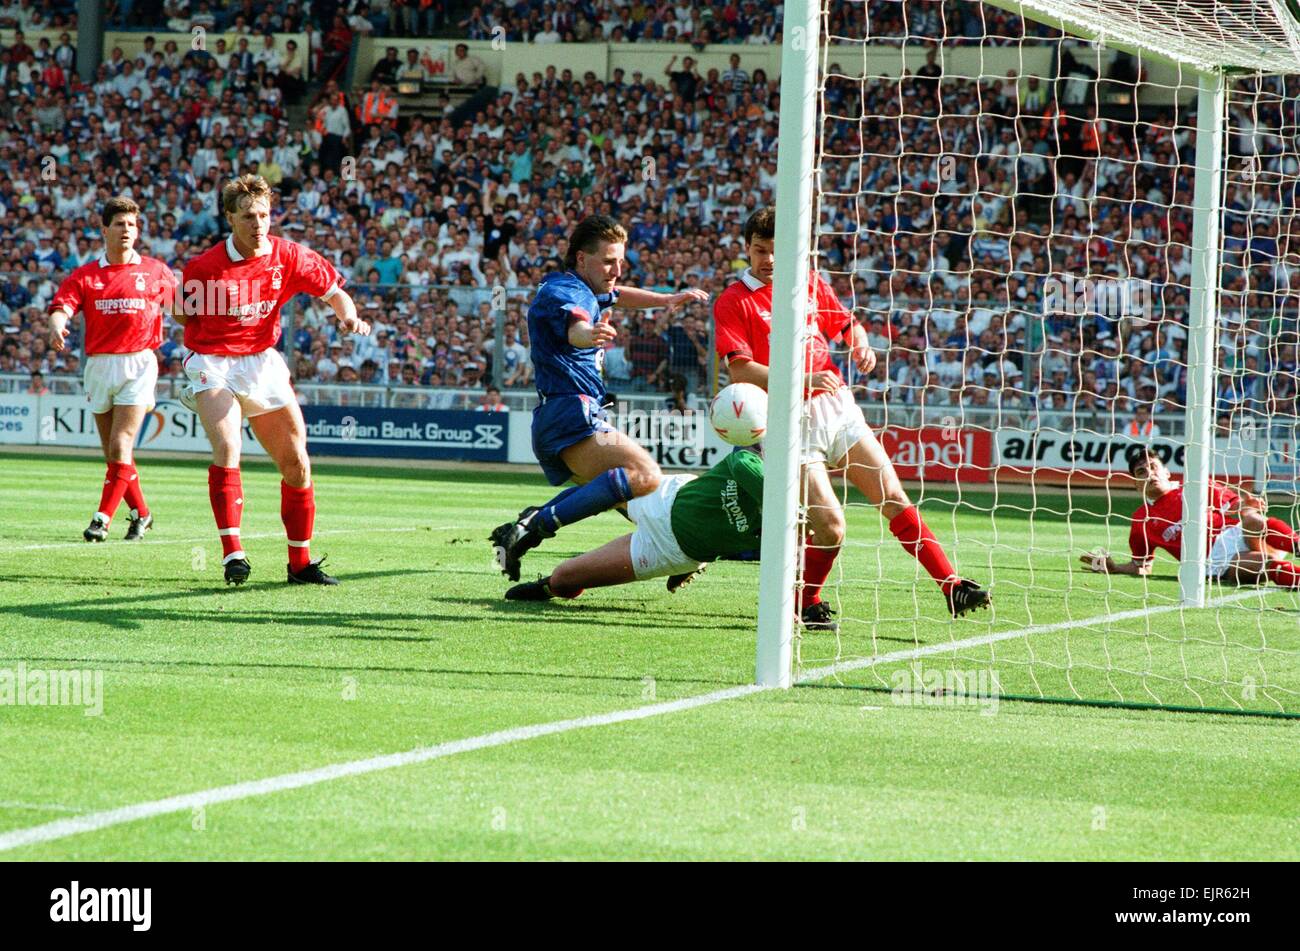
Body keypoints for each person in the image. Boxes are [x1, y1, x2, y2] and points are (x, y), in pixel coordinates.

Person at [713, 207, 989, 629]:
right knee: (831, 527)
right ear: (746, 250)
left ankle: (950, 583)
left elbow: (848, 326)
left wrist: (861, 345)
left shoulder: (809, 284)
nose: (768, 259)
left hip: (838, 406)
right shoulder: (735, 300)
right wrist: (803, 378)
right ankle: (806, 600)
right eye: (759, 250)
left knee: (893, 497)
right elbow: (740, 370)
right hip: (787, 420)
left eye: (775, 250)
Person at [489, 214, 708, 583]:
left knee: (643, 506)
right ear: (580, 259)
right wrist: (589, 334)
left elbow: (619, 297)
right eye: (609, 261)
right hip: (571, 414)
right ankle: (531, 526)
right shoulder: (567, 292)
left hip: (566, 414)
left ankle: (675, 558)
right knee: (645, 475)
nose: (617, 269)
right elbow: (575, 325)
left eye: (621, 261)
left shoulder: (584, 288)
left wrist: (666, 299)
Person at [176, 174, 371, 586]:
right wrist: (184, 304)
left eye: (264, 214)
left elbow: (334, 291)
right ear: (230, 217)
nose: (258, 223)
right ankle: (234, 553)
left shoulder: (288, 256)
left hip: (262, 361)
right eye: (248, 216)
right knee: (229, 445)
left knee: (297, 464)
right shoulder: (205, 266)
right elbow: (180, 312)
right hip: (212, 361)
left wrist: (348, 315)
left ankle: (299, 564)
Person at [48, 196, 177, 543]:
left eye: (132, 225)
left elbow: (184, 310)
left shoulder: (155, 271)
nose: (126, 230)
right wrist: (57, 325)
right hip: (99, 366)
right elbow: (62, 306)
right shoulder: (86, 275)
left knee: (121, 445)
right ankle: (143, 515)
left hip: (139, 363)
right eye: (119, 224)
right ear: (104, 229)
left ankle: (101, 519)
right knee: (114, 456)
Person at [506, 450, 762, 601]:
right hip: (665, 500)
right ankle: (536, 522)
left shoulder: (796, 529)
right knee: (599, 484)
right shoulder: (755, 466)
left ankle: (547, 586)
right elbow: (741, 461)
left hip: (671, 551)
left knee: (564, 580)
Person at [1080, 448, 1300, 589]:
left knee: (1253, 519)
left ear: (1166, 472)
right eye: (1141, 472)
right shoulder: (1142, 519)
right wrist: (1114, 568)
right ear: (1136, 484)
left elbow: (1234, 505)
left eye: (1153, 467)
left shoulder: (1194, 486)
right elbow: (1142, 566)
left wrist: (1246, 506)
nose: (1150, 474)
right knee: (1265, 565)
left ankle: (1296, 544)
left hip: (1239, 534)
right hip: (1214, 561)